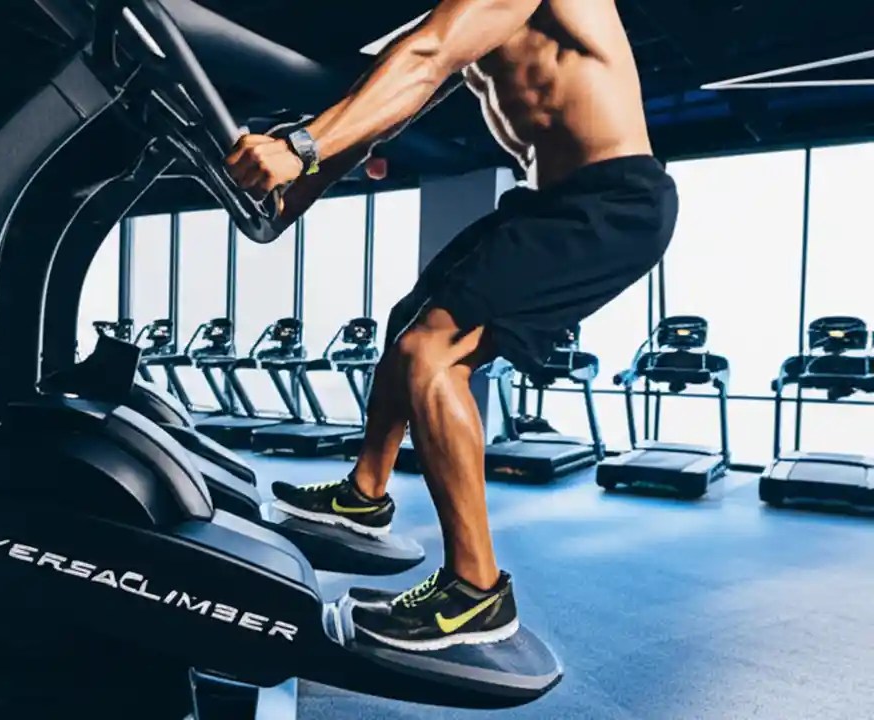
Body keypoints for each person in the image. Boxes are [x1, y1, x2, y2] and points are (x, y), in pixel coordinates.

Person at [225, 0, 678, 652]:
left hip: (612, 201)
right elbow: (388, 107)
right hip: (555, 200)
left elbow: (427, 57)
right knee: (409, 321)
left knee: (429, 352)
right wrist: (290, 191)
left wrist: (300, 149)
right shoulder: (474, 16)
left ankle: (475, 591)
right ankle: (364, 495)